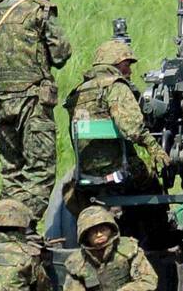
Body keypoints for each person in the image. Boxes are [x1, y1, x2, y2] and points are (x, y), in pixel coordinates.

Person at [0, 0, 73, 223]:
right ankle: (21, 226)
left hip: (1, 102)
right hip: (33, 103)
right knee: (40, 169)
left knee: (12, 171)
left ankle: (3, 226)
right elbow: (61, 55)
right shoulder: (41, 11)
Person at [64, 38, 169, 214]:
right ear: (115, 64)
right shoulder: (116, 86)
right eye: (126, 65)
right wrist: (155, 149)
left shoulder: (78, 90)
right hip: (118, 169)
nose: (129, 71)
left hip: (86, 171)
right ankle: (160, 229)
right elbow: (132, 128)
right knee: (151, 181)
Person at [61, 206, 161, 291]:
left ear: (111, 228)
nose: (99, 234)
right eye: (93, 231)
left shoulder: (129, 249)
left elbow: (149, 281)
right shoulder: (77, 264)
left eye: (102, 229)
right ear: (85, 236)